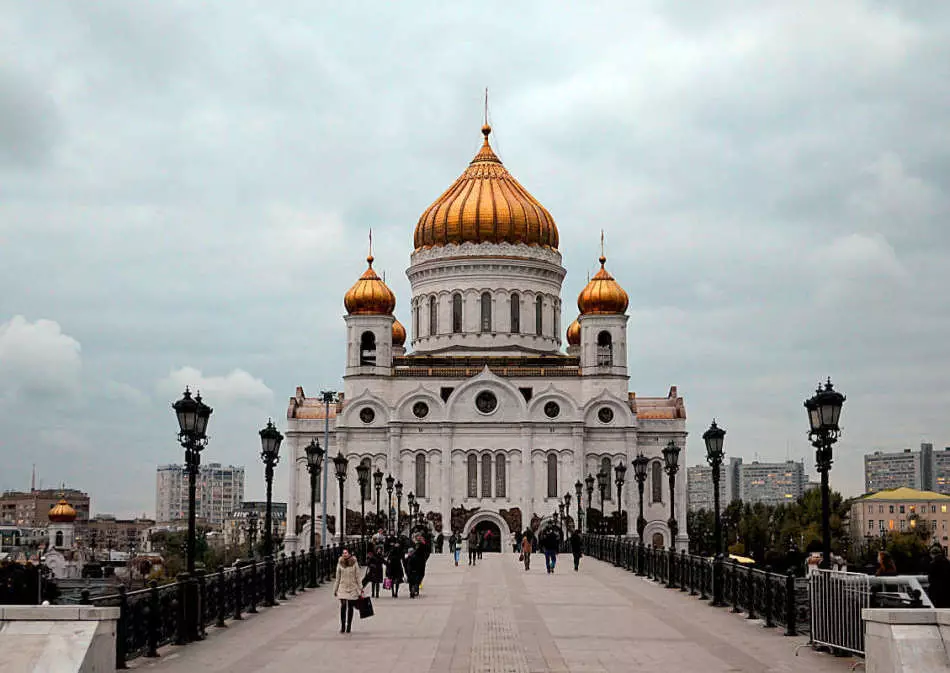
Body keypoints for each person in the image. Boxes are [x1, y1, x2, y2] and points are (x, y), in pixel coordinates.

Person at [333, 549, 362, 633]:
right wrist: (335, 589)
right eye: (343, 553)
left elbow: (358, 577)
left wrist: (361, 588)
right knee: (343, 605)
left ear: (349, 554)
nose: (344, 554)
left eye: (346, 552)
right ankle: (342, 625)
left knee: (350, 606)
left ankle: (349, 625)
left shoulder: (354, 563)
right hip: (342, 587)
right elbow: (337, 578)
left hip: (352, 587)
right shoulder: (340, 563)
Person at [928, 543, 950, 608]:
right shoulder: (947, 562)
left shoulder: (933, 563)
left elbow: (930, 578)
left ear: (932, 554)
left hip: (936, 593)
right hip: (947, 591)